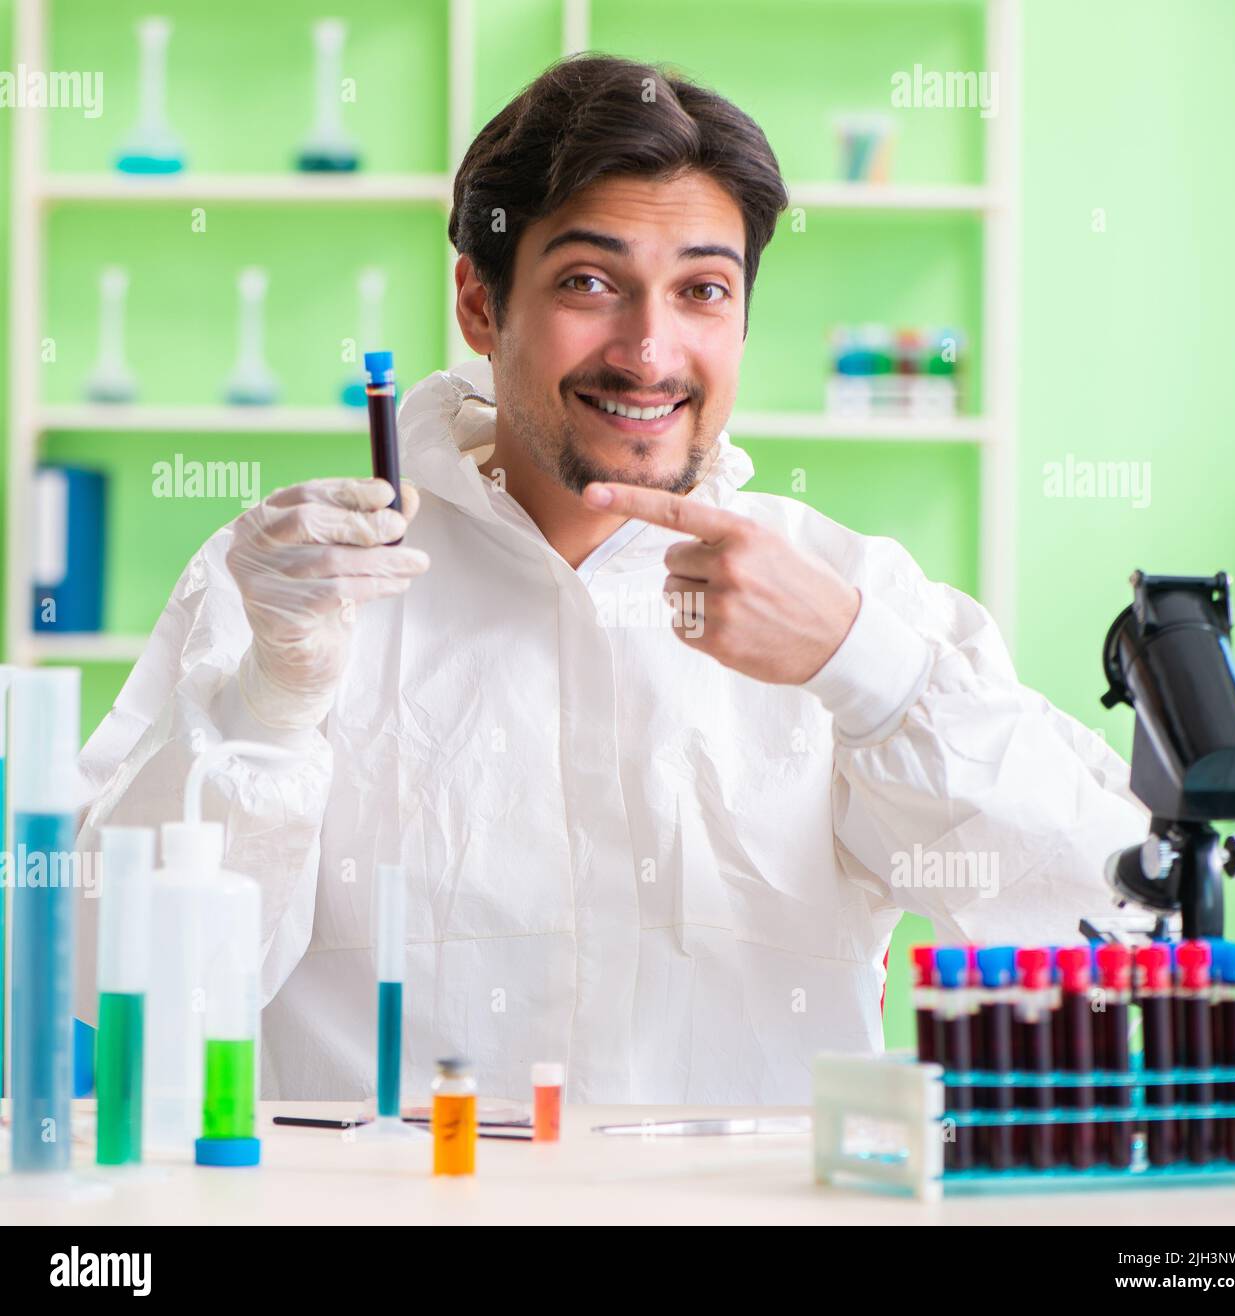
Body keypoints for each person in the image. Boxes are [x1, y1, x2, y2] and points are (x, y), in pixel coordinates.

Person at [74, 54, 1148, 1104]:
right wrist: (268, 704)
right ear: (480, 304)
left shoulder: (848, 592)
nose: (648, 349)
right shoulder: (291, 581)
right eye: (590, 282)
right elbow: (110, 990)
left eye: (702, 291)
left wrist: (868, 671)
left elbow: (1116, 935)